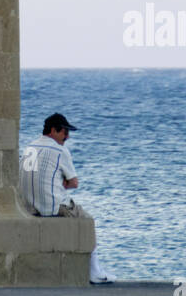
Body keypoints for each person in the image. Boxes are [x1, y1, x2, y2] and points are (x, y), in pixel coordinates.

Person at [19, 112, 115, 284]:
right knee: (87, 220)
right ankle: (95, 272)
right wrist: (59, 182)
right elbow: (74, 183)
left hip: (26, 206)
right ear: (54, 131)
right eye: (65, 132)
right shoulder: (60, 150)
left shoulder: (30, 148)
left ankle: (96, 271)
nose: (67, 136)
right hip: (51, 207)